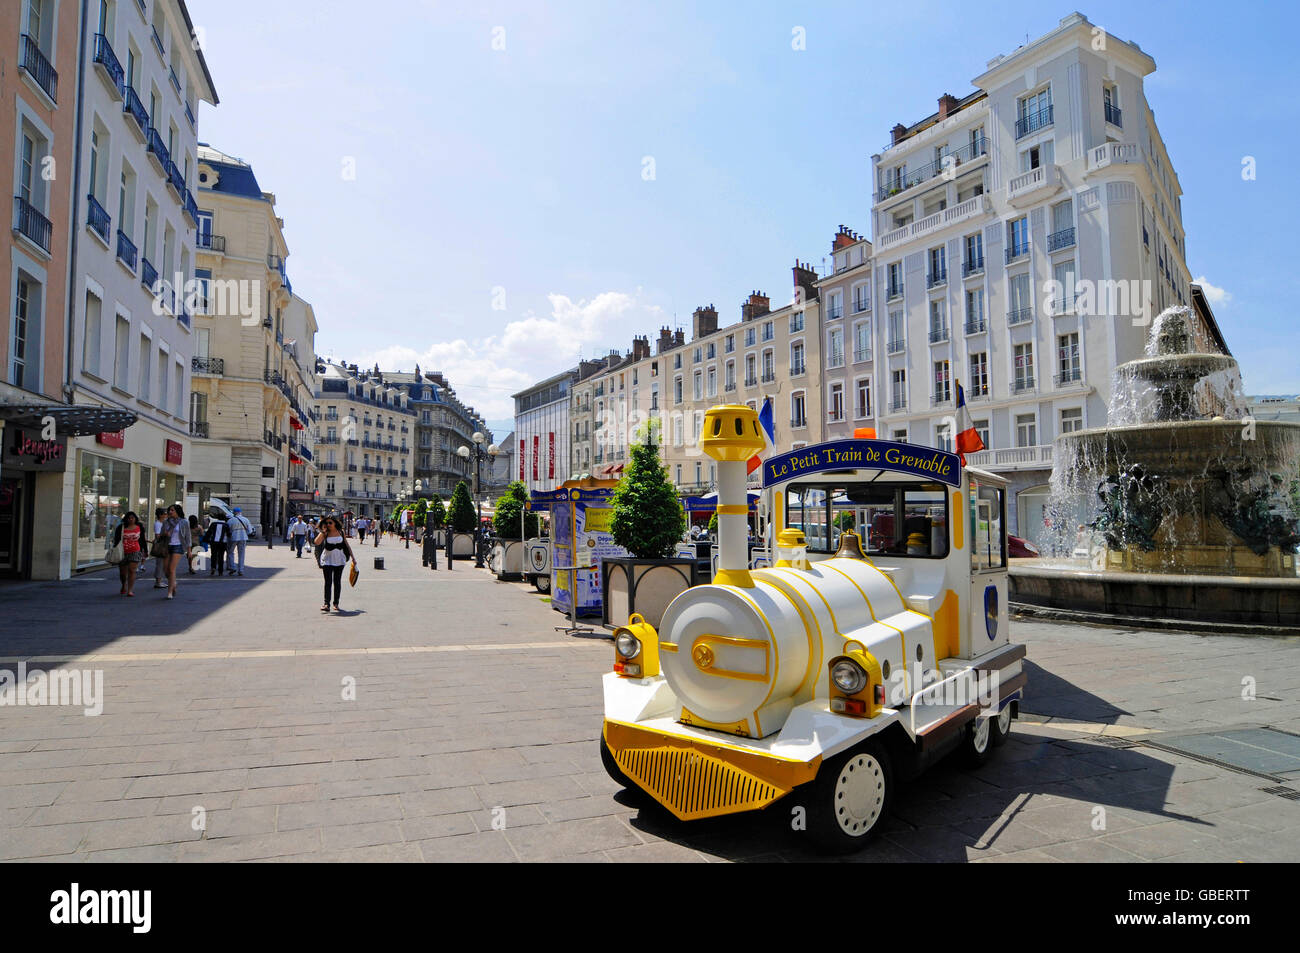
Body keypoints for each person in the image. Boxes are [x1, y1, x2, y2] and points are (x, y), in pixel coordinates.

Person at [314, 516, 355, 613]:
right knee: (328, 582)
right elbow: (316, 542)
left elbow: (346, 544)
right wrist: (322, 531)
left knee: (337, 582)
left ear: (335, 523)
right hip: (327, 560)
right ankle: (326, 604)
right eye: (326, 523)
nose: (328, 525)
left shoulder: (341, 532)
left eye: (330, 523)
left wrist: (353, 557)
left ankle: (336, 603)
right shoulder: (326, 533)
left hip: (339, 560)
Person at [162, 504, 191, 599]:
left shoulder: (183, 522)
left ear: (177, 511)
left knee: (171, 569)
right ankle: (173, 582)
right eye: (169, 510)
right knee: (166, 571)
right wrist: (165, 534)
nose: (170, 512)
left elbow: (188, 536)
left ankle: (170, 592)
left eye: (172, 510)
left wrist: (189, 550)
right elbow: (161, 534)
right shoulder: (166, 522)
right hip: (167, 546)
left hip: (178, 546)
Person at [113, 511, 145, 596]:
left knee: (132, 570)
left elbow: (142, 539)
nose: (130, 519)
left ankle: (130, 590)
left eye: (132, 518)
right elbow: (116, 540)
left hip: (135, 551)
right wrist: (114, 549)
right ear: (126, 519)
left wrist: (145, 550)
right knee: (123, 573)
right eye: (129, 518)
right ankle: (124, 584)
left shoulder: (139, 527)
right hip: (122, 552)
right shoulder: (121, 527)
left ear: (135, 519)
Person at [227, 506, 252, 575]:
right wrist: (244, 533)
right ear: (240, 512)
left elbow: (228, 531)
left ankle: (233, 567)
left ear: (234, 513)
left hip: (233, 538)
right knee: (241, 554)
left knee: (230, 552)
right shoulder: (246, 520)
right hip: (243, 538)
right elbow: (250, 531)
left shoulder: (230, 520)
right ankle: (241, 570)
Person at [151, 508, 168, 589]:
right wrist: (166, 533)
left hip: (164, 545)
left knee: (162, 564)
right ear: (160, 515)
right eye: (165, 514)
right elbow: (158, 535)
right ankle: (158, 582)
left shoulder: (163, 523)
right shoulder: (158, 524)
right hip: (161, 545)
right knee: (160, 564)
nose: (166, 515)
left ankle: (159, 581)